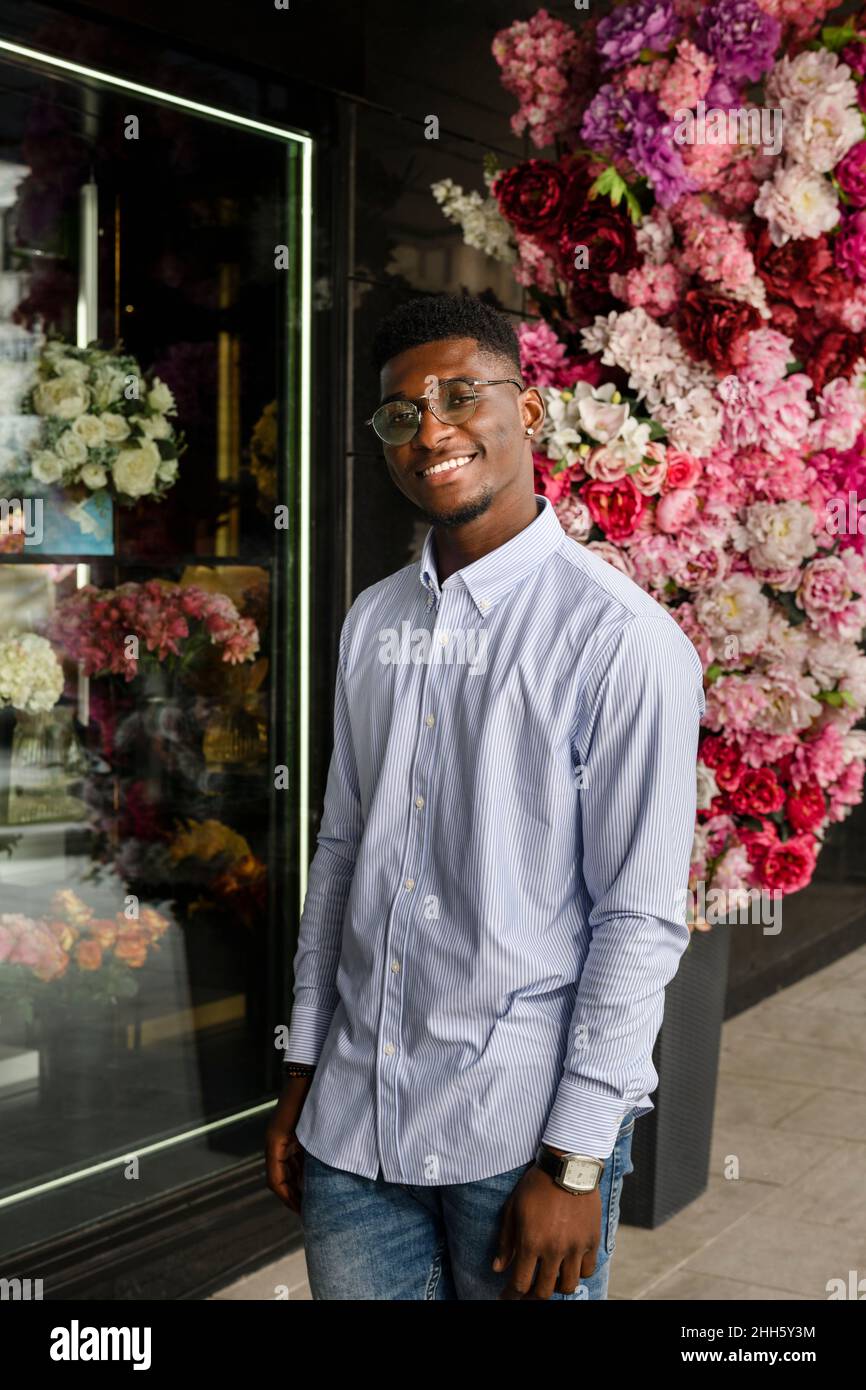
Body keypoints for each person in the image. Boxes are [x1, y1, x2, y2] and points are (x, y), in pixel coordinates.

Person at [265, 293, 705, 1300]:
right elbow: (340, 855)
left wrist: (576, 1159)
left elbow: (636, 919)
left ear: (531, 412)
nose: (430, 431)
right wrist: (301, 1073)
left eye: (461, 395)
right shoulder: (370, 622)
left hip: (518, 1140)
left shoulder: (619, 642)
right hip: (352, 1132)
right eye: (398, 414)